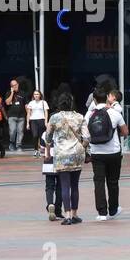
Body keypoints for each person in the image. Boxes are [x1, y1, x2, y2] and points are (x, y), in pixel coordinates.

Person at [83, 84, 128, 220]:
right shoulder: (115, 113)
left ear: (94, 100)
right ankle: (113, 210)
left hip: (96, 153)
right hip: (114, 152)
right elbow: (125, 132)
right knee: (113, 181)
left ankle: (102, 213)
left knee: (99, 182)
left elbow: (85, 135)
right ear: (106, 99)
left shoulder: (89, 115)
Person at [47, 93, 88, 225]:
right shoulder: (79, 117)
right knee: (75, 185)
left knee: (65, 185)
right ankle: (75, 214)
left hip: (61, 155)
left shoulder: (54, 117)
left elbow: (48, 137)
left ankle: (67, 215)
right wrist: (82, 147)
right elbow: (87, 137)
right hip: (77, 154)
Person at [40, 126, 61, 221]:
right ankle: (58, 210)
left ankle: (50, 204)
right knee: (61, 187)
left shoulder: (45, 134)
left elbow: (42, 150)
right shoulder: (62, 133)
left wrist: (44, 156)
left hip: (48, 162)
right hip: (61, 161)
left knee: (49, 186)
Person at [6, 79, 27, 152]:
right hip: (12, 116)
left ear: (18, 84)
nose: (15, 86)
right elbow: (7, 103)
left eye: (16, 84)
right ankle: (11, 143)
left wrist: (28, 116)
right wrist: (12, 93)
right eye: (13, 85)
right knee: (12, 131)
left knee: (20, 131)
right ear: (11, 86)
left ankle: (18, 145)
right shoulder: (8, 93)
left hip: (21, 116)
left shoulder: (23, 93)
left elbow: (26, 105)